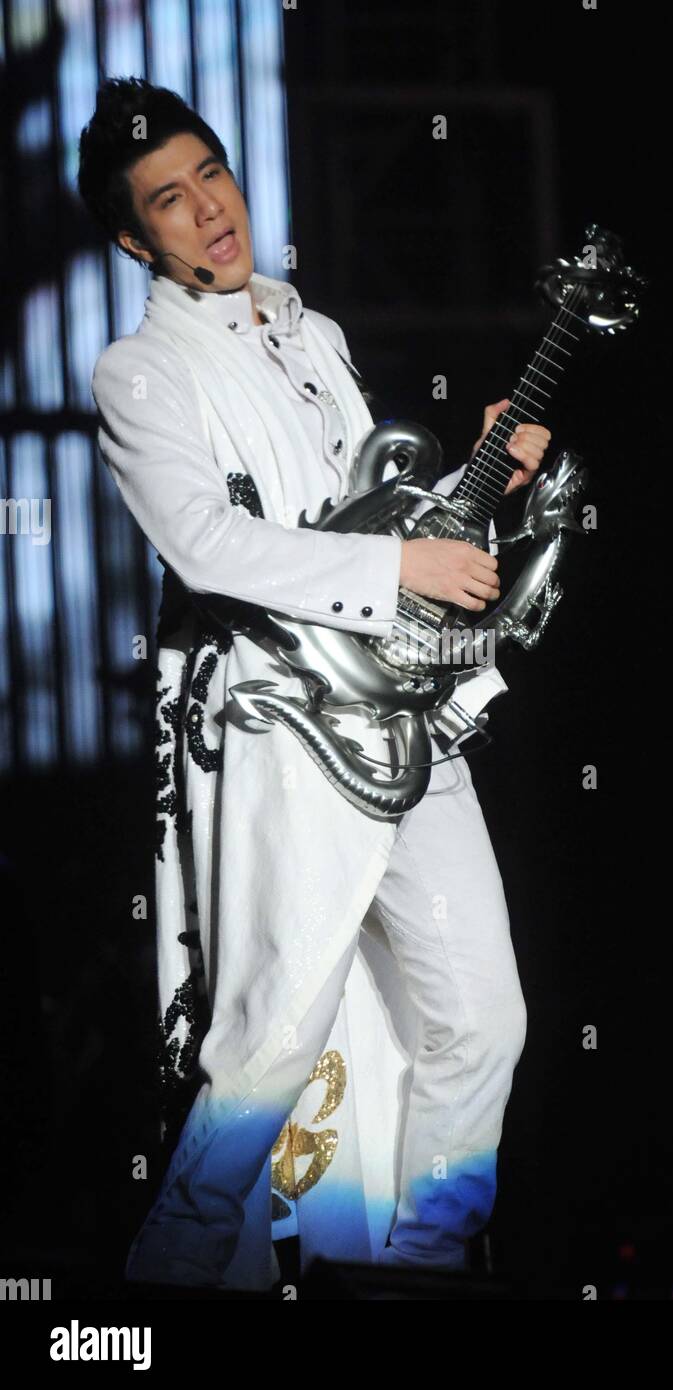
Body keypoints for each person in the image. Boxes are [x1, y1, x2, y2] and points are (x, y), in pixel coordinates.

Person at [78, 77, 550, 1290]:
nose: (208, 211)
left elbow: (370, 519)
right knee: (266, 1052)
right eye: (168, 201)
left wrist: (484, 483)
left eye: (212, 176)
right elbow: (211, 546)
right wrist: (400, 560)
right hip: (283, 725)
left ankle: (427, 1264)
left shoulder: (313, 330)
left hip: (400, 716)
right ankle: (168, 1285)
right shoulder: (140, 374)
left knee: (483, 1019)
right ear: (137, 238)